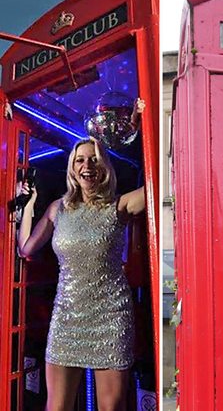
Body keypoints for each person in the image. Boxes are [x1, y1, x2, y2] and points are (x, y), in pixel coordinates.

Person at [16, 102, 145, 411]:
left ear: (105, 167)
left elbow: (160, 186)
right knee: (56, 407)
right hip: (66, 320)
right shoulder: (57, 209)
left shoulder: (120, 206)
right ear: (72, 168)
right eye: (80, 160)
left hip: (110, 319)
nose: (87, 166)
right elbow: (26, 250)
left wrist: (142, 133)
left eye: (95, 159)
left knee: (109, 408)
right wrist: (29, 204)